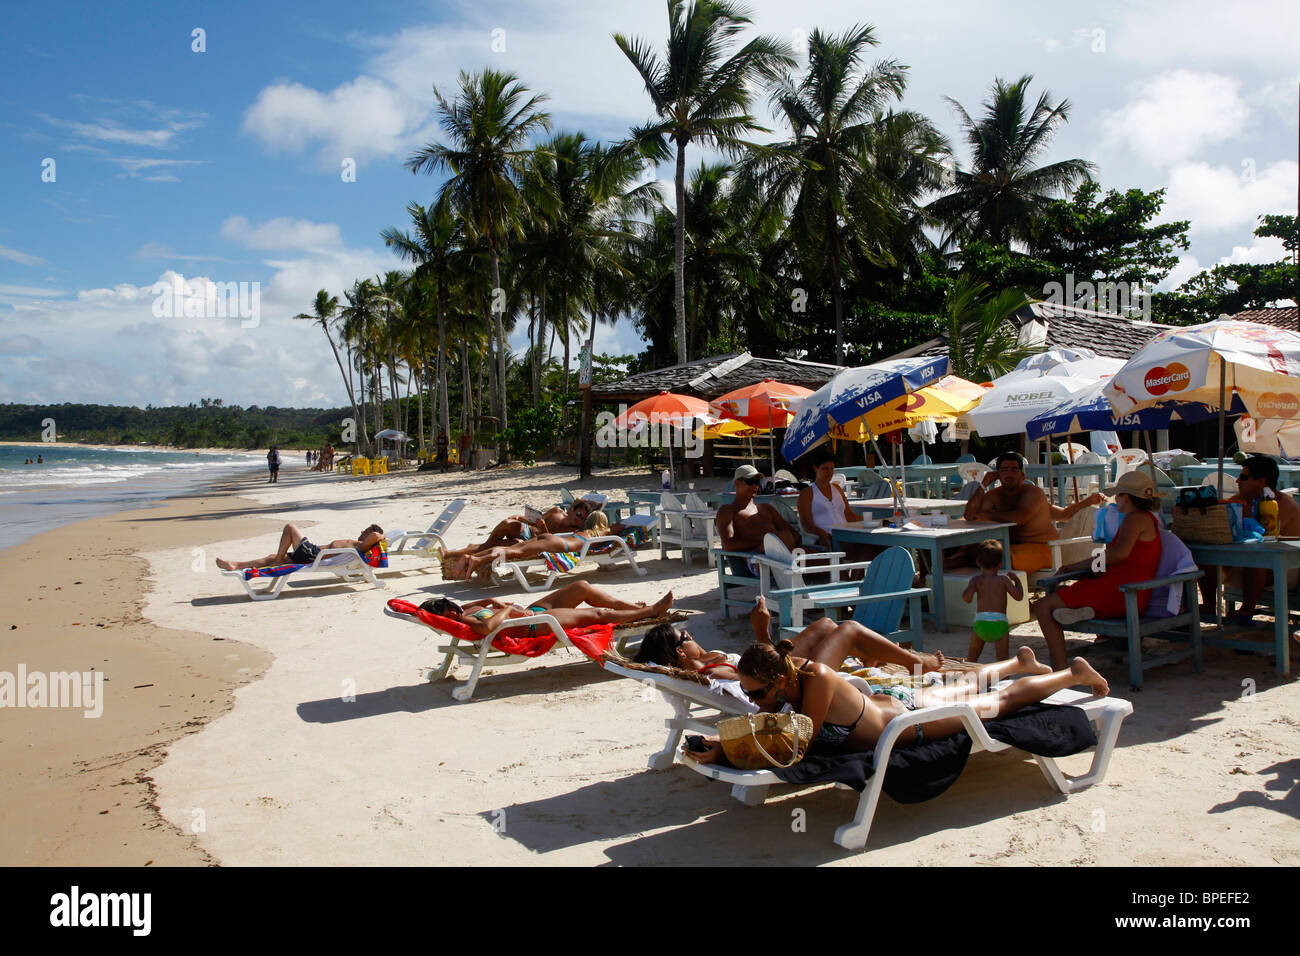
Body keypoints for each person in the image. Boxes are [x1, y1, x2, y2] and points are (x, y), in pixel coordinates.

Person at [686, 638, 1108, 762]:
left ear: (779, 681)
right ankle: (1017, 661)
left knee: (1001, 704)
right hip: (896, 703)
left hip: (910, 722)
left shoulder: (817, 680)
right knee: (962, 687)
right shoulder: (786, 684)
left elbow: (800, 741)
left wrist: (727, 750)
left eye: (756, 693)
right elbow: (769, 727)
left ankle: (1073, 673)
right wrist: (721, 745)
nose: (753, 701)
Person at [634, 595, 945, 682]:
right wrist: (761, 633)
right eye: (684, 636)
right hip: (799, 684)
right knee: (848, 628)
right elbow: (761, 679)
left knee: (825, 624)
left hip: (787, 670)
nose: (690, 635)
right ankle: (918, 663)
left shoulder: (705, 664)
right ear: (678, 654)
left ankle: (868, 656)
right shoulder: (710, 672)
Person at [1031, 471, 1163, 669]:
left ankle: (1059, 669)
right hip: (1125, 589)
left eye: (1118, 495)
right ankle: (1085, 611)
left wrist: (1075, 566)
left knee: (1042, 607)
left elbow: (1119, 554)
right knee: (1061, 597)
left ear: (1126, 497)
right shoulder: (1145, 518)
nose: (1116, 499)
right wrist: (1092, 564)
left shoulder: (1133, 520)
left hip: (1119, 591)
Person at [1198, 455, 1300, 623]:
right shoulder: (1238, 501)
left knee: (1259, 559)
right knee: (1205, 558)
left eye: (1244, 477)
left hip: (1286, 568)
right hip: (1247, 562)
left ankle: (1246, 611)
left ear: (1261, 481)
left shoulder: (1282, 504)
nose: (1238, 481)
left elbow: (1265, 540)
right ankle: (1209, 604)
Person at [425, 581, 674, 637]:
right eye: (447, 612)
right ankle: (650, 612)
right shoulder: (465, 622)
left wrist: (492, 601)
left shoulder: (461, 614)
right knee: (597, 615)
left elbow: (475, 609)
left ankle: (633, 607)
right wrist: (505, 609)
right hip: (534, 622)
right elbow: (487, 626)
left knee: (581, 587)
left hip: (528, 613)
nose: (453, 612)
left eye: (450, 608)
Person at [956, 452, 1056, 573]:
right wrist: (983, 485)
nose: (1009, 474)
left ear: (1022, 475)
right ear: (997, 474)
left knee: (992, 556)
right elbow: (969, 514)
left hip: (1040, 547)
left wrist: (983, 515)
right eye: (1004, 470)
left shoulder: (1033, 493)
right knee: (972, 549)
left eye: (1014, 470)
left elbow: (1019, 518)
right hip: (1009, 546)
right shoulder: (995, 495)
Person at [449, 510, 614, 580]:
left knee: (512, 549)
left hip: (552, 539)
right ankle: (476, 561)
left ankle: (471, 557)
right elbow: (620, 528)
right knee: (513, 552)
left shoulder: (581, 533)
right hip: (558, 545)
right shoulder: (600, 533)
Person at [716, 465, 799, 578]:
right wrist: (767, 543)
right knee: (784, 537)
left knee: (825, 559)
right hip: (756, 560)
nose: (755, 485)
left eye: (757, 482)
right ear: (737, 483)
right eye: (750, 481)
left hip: (782, 554)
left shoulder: (766, 508)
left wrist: (774, 544)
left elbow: (795, 534)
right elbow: (728, 545)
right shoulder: (728, 510)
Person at [797, 450, 870, 561]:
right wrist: (822, 534)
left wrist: (874, 521)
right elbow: (806, 523)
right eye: (825, 468)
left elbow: (850, 516)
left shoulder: (837, 489)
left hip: (846, 535)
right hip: (824, 539)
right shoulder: (807, 494)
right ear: (815, 468)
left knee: (875, 547)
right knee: (866, 549)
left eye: (832, 468)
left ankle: (856, 576)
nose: (829, 472)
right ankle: (853, 576)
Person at [216, 523, 385, 571]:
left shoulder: (361, 546)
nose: (362, 532)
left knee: (290, 527)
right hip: (312, 553)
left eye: (366, 531)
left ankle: (276, 563)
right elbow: (374, 535)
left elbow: (376, 536)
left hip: (313, 555)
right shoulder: (358, 544)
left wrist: (382, 535)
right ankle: (236, 565)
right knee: (271, 556)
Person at [963, 539, 1024, 663]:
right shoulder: (1004, 580)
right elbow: (1018, 597)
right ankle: (1003, 682)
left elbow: (966, 599)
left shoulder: (976, 580)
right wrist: (1017, 580)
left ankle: (969, 679)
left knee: (972, 657)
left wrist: (971, 587)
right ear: (1000, 564)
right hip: (999, 624)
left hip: (981, 624)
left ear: (978, 562)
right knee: (1002, 660)